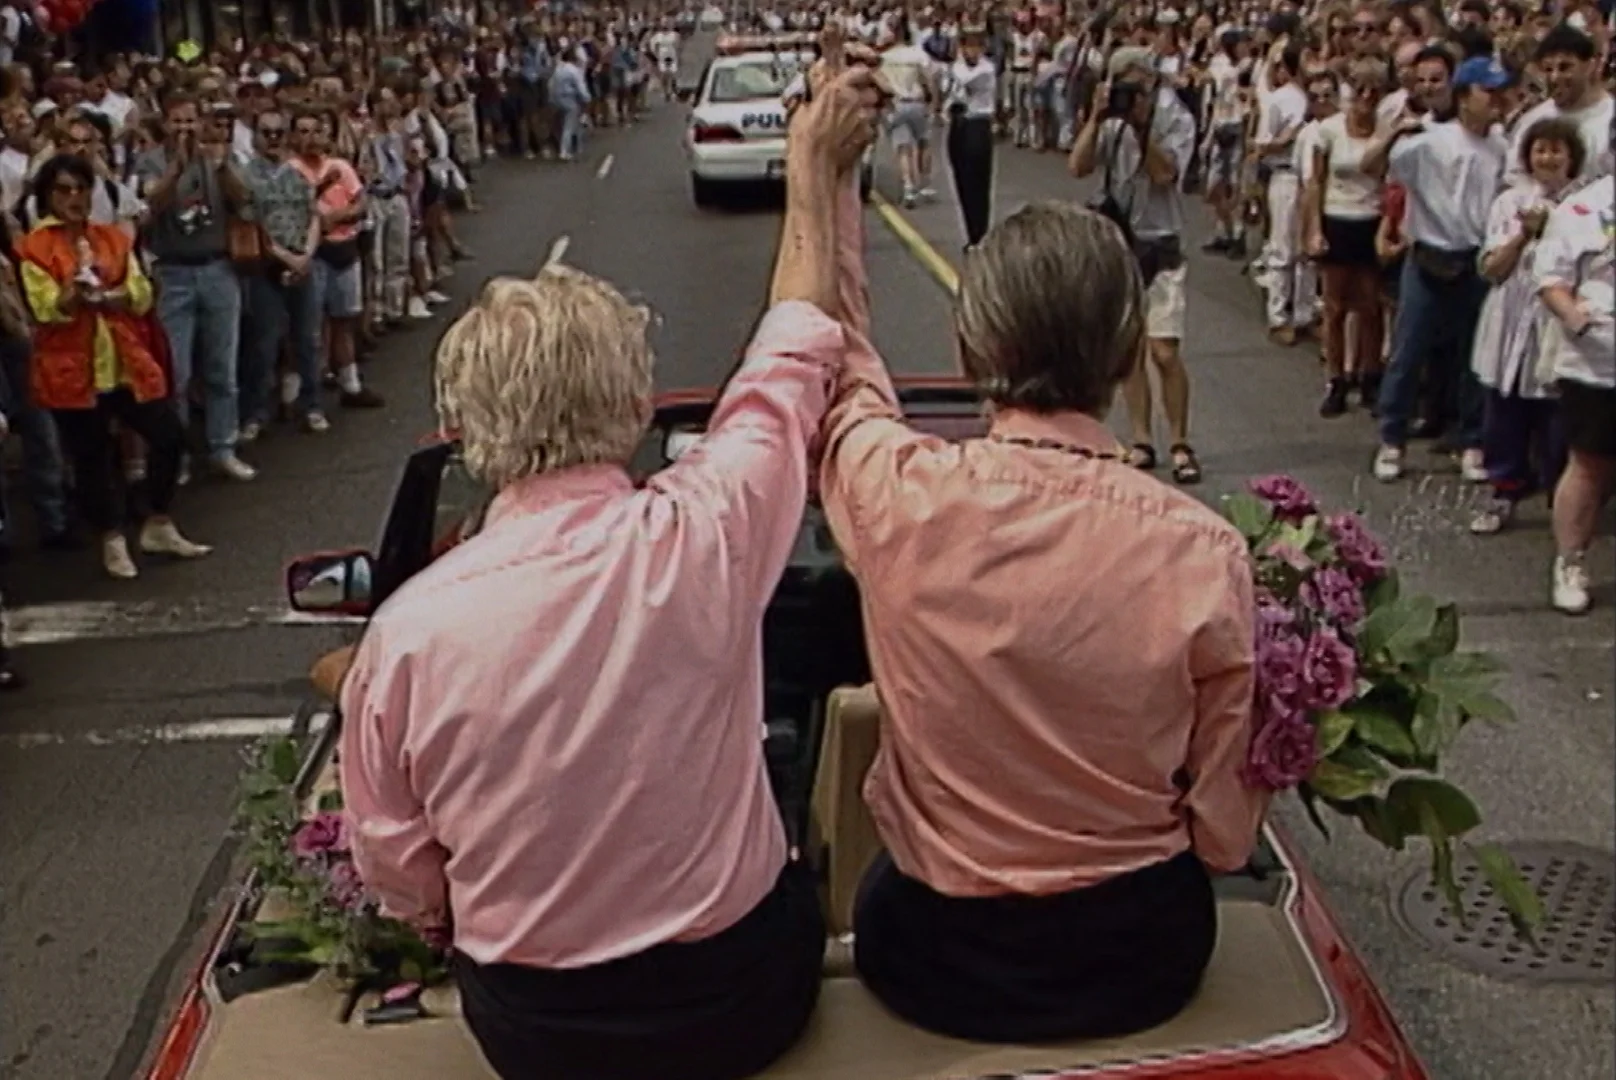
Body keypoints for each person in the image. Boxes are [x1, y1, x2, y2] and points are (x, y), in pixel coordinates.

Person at [337, 67, 887, 1080]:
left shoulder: (406, 637)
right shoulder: (704, 529)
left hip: (540, 1032)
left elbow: (397, 865)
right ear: (632, 410)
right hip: (736, 1000)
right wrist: (815, 169)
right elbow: (793, 352)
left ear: (470, 438)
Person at [817, 199, 1266, 1045]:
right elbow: (1222, 829)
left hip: (935, 958)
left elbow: (838, 371)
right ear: (1129, 355)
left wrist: (828, 181)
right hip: (1145, 958)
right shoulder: (1203, 552)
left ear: (971, 351)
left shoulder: (901, 499)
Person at [16, 153, 209, 579]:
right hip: (73, 370)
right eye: (64, 190)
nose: (74, 198)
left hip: (123, 361)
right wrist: (75, 290)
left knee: (169, 436)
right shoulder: (35, 247)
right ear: (48, 197)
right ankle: (112, 537)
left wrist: (111, 297)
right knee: (93, 459)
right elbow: (47, 309)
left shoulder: (111, 237)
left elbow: (140, 291)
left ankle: (157, 519)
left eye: (81, 189)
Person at [1069, 45, 1202, 484]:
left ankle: (1181, 441)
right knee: (1130, 353)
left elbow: (1166, 175)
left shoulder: (1175, 117)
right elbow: (1078, 166)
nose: (1130, 91)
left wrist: (1142, 127)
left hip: (1161, 243)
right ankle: (1142, 438)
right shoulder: (1110, 122)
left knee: (1165, 350)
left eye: (1136, 82)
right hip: (1121, 242)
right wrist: (1096, 117)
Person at [1468, 117, 1582, 537]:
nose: (1548, 159)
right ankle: (1503, 489)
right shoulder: (1509, 202)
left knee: (1557, 420)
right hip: (1509, 318)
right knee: (1504, 410)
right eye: (1540, 150)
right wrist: (1522, 235)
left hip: (1557, 326)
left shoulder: (1584, 205)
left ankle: (1563, 503)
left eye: (1556, 150)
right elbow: (1491, 269)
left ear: (1572, 157)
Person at [1535, 168, 1615, 615]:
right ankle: (1570, 561)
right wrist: (1578, 321)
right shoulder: (1582, 207)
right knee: (1590, 463)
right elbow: (1551, 280)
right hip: (1598, 361)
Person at [943, 26, 995, 249]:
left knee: (979, 183)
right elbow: (947, 89)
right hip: (958, 124)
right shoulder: (956, 67)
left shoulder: (986, 69)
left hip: (978, 124)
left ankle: (980, 234)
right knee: (962, 180)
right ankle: (970, 233)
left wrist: (953, 68)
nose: (972, 51)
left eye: (976, 46)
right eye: (967, 45)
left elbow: (966, 81)